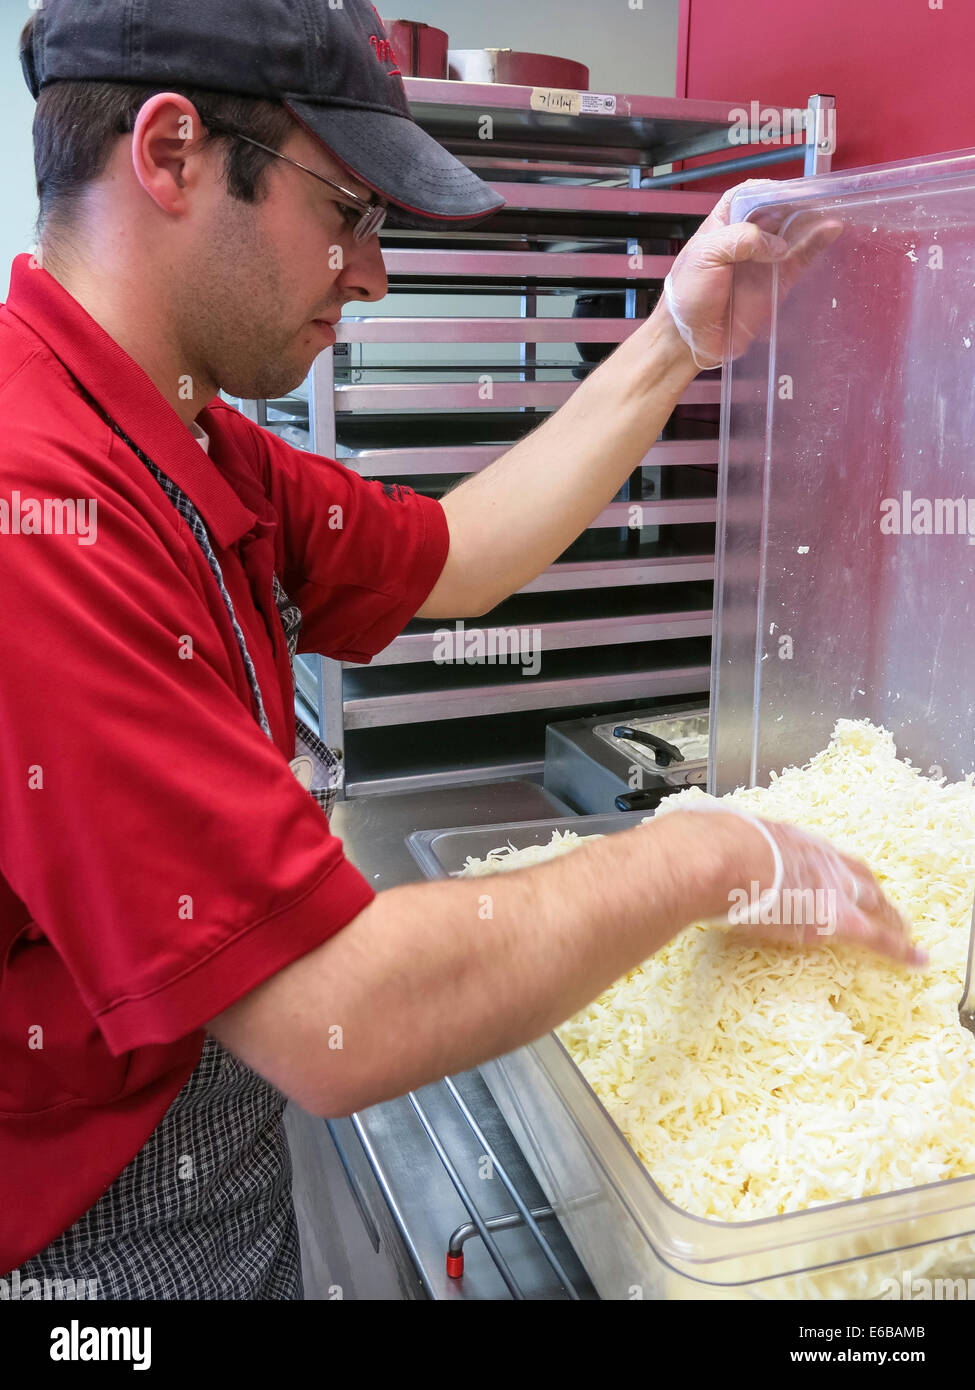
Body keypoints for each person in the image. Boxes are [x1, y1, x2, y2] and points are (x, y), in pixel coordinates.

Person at [1, 0, 921, 1299]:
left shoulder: (187, 436)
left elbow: (459, 549)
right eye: (348, 212)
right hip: (80, 1249)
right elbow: (338, 1012)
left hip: (210, 1158)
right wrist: (712, 851)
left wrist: (675, 338)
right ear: (169, 154)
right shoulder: (42, 515)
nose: (373, 275)